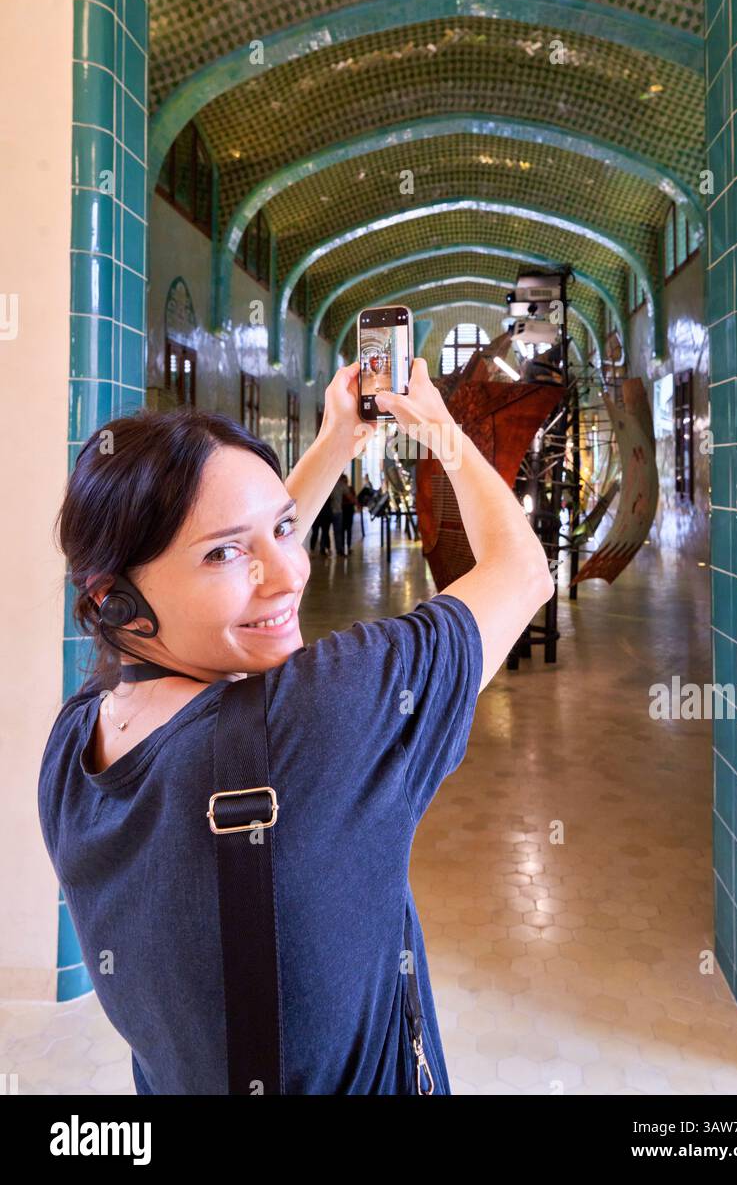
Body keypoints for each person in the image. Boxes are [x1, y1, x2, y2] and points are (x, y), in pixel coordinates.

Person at [37, 357, 553, 1095]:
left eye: (285, 529)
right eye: (224, 552)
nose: (290, 575)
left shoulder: (73, 746)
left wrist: (336, 443)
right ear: (114, 599)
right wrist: (438, 425)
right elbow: (522, 570)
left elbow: (242, 587)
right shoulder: (322, 718)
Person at [328, 473, 346, 557]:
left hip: (331, 511)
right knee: (337, 532)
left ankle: (325, 548)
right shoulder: (340, 485)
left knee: (326, 531)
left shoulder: (329, 484)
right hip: (337, 512)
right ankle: (339, 549)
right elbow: (348, 494)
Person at [341, 473, 359, 553]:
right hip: (344, 510)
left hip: (348, 510)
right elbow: (353, 499)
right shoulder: (343, 489)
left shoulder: (350, 488)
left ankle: (347, 546)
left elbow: (353, 498)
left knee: (348, 530)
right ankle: (343, 547)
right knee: (344, 530)